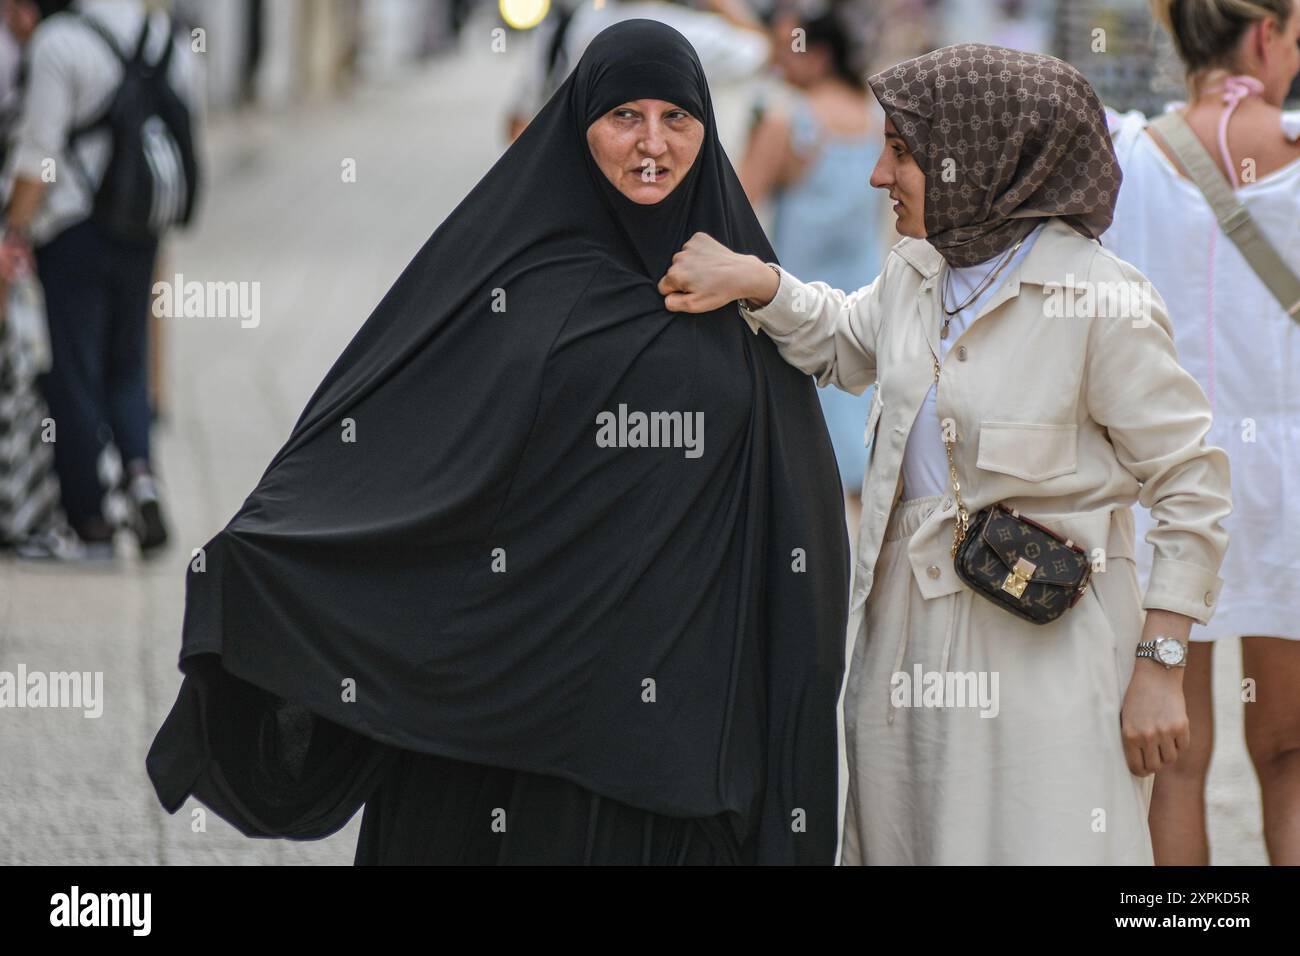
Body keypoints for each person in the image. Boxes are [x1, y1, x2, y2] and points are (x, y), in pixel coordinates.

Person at [146, 19, 849, 866]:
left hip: (670, 734)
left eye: (677, 118)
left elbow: (791, 495)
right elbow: (399, 441)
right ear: (578, 122)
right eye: (624, 115)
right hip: (496, 732)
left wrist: (759, 288)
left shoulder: (736, 287)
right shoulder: (514, 278)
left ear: (708, 127)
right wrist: (273, 562)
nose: (653, 144)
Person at [660, 43, 1233, 864]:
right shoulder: (917, 273)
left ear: (982, 156)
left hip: (1047, 659)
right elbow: (842, 338)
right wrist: (756, 280)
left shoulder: (1100, 299)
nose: (878, 177)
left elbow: (1192, 483)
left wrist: (1162, 662)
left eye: (903, 153)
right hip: (903, 644)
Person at [1102, 0, 1300, 866]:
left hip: (1165, 484)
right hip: (1288, 485)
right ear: (1266, 33)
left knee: (1171, 764)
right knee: (1293, 756)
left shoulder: (1123, 158)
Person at [0, 0, 200, 558]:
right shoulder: (166, 37)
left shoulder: (60, 42)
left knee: (75, 369)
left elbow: (40, 153)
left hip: (74, 229)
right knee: (127, 362)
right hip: (142, 224)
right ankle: (141, 477)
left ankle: (92, 517)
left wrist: (14, 228)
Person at [738, 5, 887, 531]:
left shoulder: (790, 117)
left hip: (796, 294)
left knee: (807, 425)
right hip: (864, 289)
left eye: (787, 51)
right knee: (859, 415)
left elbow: (741, 198)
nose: (778, 63)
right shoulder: (875, 118)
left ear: (817, 55)